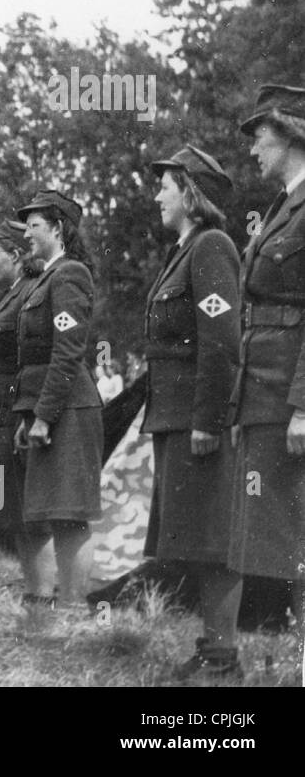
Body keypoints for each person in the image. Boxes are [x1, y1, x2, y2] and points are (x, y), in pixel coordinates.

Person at [142, 145, 243, 680]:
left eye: (166, 185)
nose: (157, 194)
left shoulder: (211, 247)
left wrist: (209, 418)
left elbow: (222, 341)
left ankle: (223, 660)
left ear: (191, 193)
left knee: (212, 539)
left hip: (196, 420)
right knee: (199, 539)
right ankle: (214, 649)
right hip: (174, 416)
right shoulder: (183, 251)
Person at [230, 85, 305, 654]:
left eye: (259, 137)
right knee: (278, 524)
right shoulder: (283, 206)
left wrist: (304, 405)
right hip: (262, 389)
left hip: (289, 393)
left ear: (289, 135)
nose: (253, 149)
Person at [12, 189, 103, 611]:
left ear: (58, 228)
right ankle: (61, 601)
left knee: (69, 512)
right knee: (53, 509)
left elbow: (68, 351)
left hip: (69, 407)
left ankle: (73, 605)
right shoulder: (46, 277)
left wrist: (44, 416)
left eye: (33, 225)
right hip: (50, 407)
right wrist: (29, 414)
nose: (26, 233)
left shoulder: (68, 275)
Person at [0, 220, 40, 560]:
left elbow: (28, 357)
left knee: (14, 493)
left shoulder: (29, 292)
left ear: (16, 255)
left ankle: (22, 566)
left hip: (12, 407)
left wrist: (24, 412)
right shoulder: (6, 297)